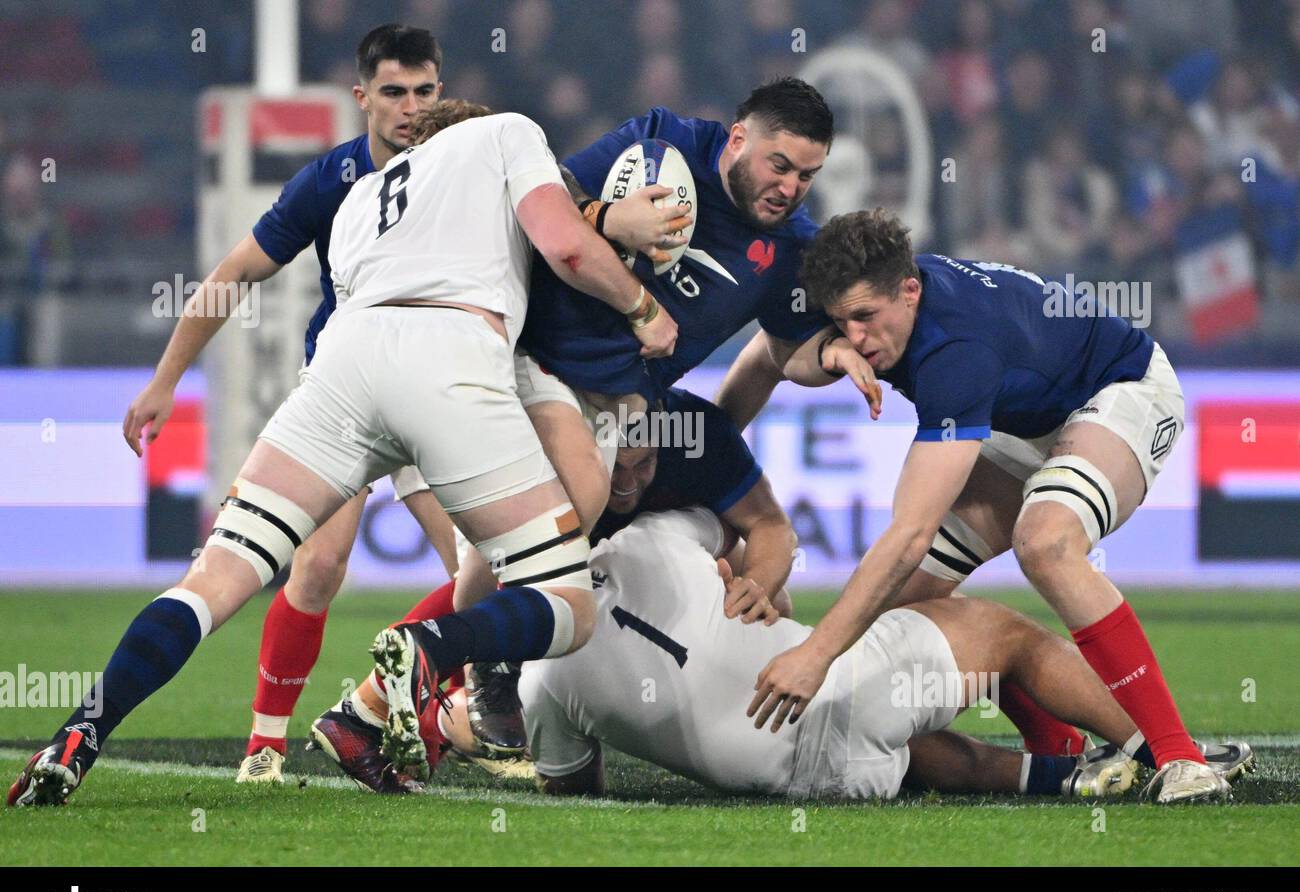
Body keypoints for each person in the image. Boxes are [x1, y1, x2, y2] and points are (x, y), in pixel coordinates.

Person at [6, 99, 676, 808]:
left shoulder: (360, 196)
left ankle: (78, 733)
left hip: (342, 365)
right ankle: (430, 649)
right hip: (450, 354)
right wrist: (642, 309)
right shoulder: (508, 132)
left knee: (212, 582)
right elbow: (564, 244)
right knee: (567, 601)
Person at [745, 208, 1252, 804]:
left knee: (1046, 543)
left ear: (910, 292)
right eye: (840, 321)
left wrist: (815, 655)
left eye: (864, 319)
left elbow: (909, 535)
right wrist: (831, 351)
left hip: (1122, 389)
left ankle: (1180, 758)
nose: (856, 336)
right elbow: (774, 352)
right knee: (898, 605)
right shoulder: (897, 301)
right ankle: (1058, 744)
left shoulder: (956, 352)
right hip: (1026, 414)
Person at [444, 77, 883, 752]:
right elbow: (549, 193)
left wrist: (829, 358)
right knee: (551, 524)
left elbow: (787, 350)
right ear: (739, 140)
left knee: (522, 545)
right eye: (780, 165)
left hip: (618, 405)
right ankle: (469, 674)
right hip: (529, 354)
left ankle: (450, 676)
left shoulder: (790, 249)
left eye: (808, 175)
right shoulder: (662, 142)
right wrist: (607, 219)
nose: (792, 187)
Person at [120, 24, 460, 785]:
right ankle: (266, 746)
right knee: (318, 567)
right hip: (348, 390)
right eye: (395, 92)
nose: (411, 108)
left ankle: (414, 712)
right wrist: (165, 379)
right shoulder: (329, 180)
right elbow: (235, 271)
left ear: (443, 90)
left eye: (425, 91)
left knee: (476, 569)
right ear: (362, 97)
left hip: (440, 391)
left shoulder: (464, 167)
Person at [311, 385, 797, 790]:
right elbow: (474, 592)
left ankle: (766, 708)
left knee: (776, 599)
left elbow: (771, 526)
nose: (626, 486)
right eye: (615, 468)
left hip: (656, 548)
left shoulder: (698, 430)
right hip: (553, 554)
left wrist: (754, 584)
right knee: (514, 713)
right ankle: (438, 718)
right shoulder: (545, 454)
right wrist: (490, 671)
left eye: (644, 465)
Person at [518, 507, 1144, 802]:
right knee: (1006, 635)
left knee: (903, 747)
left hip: (819, 784)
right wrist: (755, 585)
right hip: (839, 686)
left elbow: (575, 788)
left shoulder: (537, 682)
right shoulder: (647, 538)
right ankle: (1163, 750)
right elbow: (753, 531)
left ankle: (1067, 778)